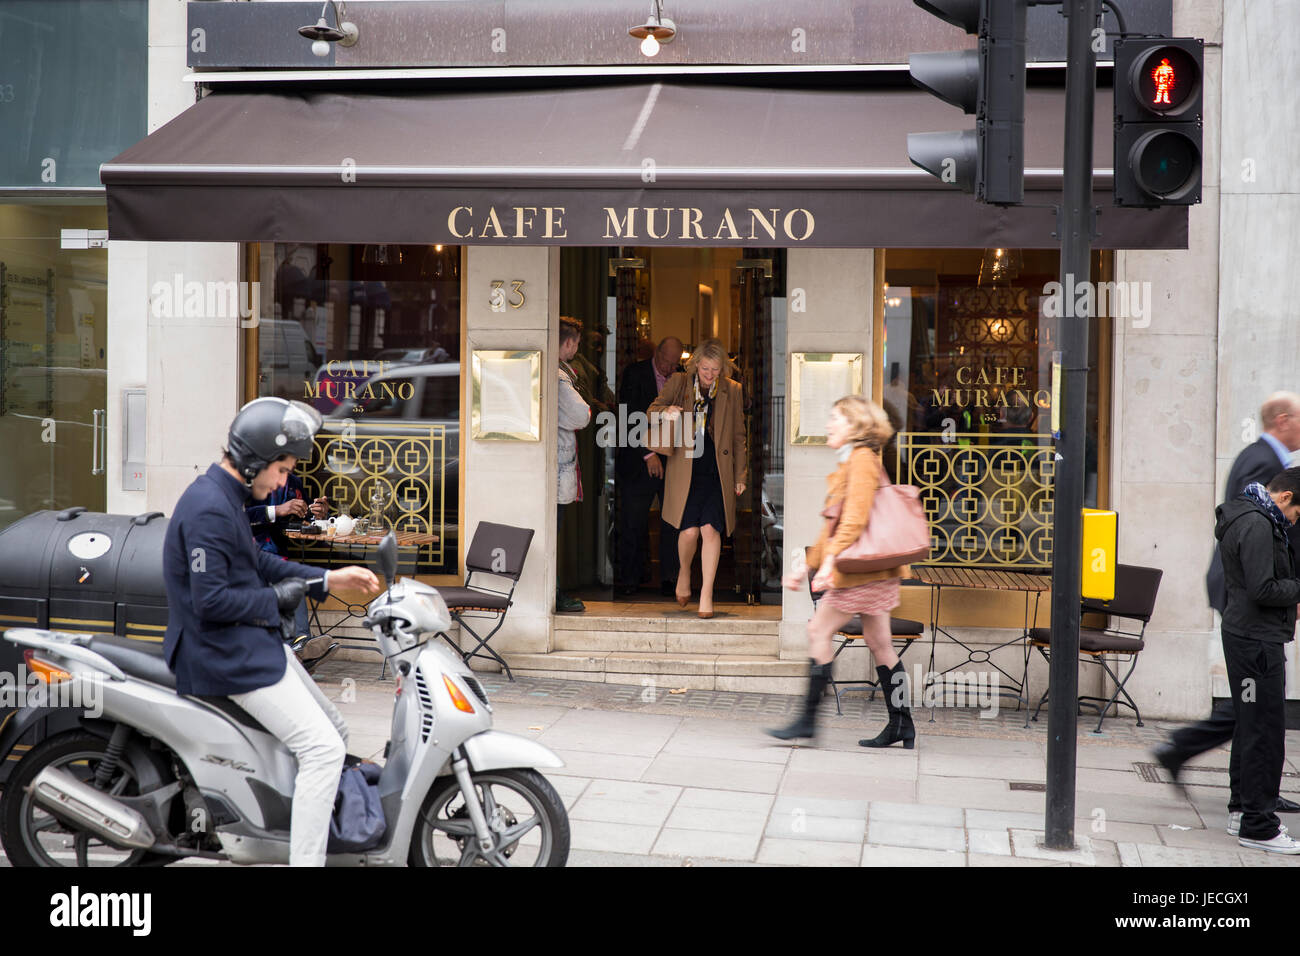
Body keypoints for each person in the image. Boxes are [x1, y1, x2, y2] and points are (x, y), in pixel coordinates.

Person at [163, 397, 380, 866]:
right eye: (281, 470)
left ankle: (302, 824)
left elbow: (257, 561)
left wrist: (326, 579)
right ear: (255, 461)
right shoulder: (208, 507)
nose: (284, 482)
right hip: (225, 653)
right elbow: (212, 602)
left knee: (335, 731)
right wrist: (285, 596)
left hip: (250, 643)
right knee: (322, 749)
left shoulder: (226, 497)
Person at [1154, 392, 1300, 818]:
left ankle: (1247, 793)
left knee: (1253, 696)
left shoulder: (1258, 456)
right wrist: (1286, 588)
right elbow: (1254, 530)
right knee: (1254, 696)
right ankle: (1238, 788)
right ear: (1283, 420)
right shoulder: (1264, 462)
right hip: (1250, 592)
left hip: (1252, 589)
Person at [767, 396, 914, 745]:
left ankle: (807, 721)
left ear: (854, 426)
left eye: (835, 418)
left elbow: (854, 520)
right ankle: (901, 724)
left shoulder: (862, 460)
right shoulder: (855, 460)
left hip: (862, 570)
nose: (829, 425)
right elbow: (833, 525)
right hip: (877, 569)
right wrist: (806, 566)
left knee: (818, 629)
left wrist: (829, 563)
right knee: (880, 643)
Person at [1212, 467, 1300, 853]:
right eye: (1299, 511)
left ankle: (1241, 811)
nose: (1296, 520)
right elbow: (1263, 587)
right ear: (1284, 498)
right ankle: (1259, 826)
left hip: (1245, 635)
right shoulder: (1260, 525)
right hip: (1257, 642)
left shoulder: (1244, 514)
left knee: (1249, 726)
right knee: (1264, 730)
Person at [649, 338, 747, 618]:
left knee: (710, 530)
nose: (710, 375)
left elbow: (739, 436)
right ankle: (683, 573)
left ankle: (706, 593)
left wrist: (740, 474)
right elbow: (650, 412)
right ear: (696, 365)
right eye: (705, 368)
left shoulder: (732, 390)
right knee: (689, 531)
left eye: (716, 369)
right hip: (686, 468)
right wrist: (666, 411)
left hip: (718, 470)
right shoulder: (679, 383)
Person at [615, 335, 683, 596]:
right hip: (638, 460)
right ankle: (629, 580)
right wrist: (648, 453)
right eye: (666, 362)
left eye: (674, 363)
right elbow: (628, 415)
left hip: (673, 460)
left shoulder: (680, 376)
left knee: (672, 522)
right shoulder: (635, 373)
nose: (669, 368)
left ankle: (671, 579)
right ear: (657, 355)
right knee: (633, 522)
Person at [247, 471, 329, 641]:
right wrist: (276, 510)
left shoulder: (293, 481)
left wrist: (318, 514)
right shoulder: (249, 478)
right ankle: (301, 643)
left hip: (280, 552)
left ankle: (300, 646)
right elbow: (238, 515)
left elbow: (304, 515)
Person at [557, 317, 592, 612]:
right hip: (556, 468)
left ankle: (554, 591)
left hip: (555, 466)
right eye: (576, 343)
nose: (576, 348)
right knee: (553, 531)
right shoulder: (558, 376)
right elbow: (581, 415)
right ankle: (555, 593)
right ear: (568, 342)